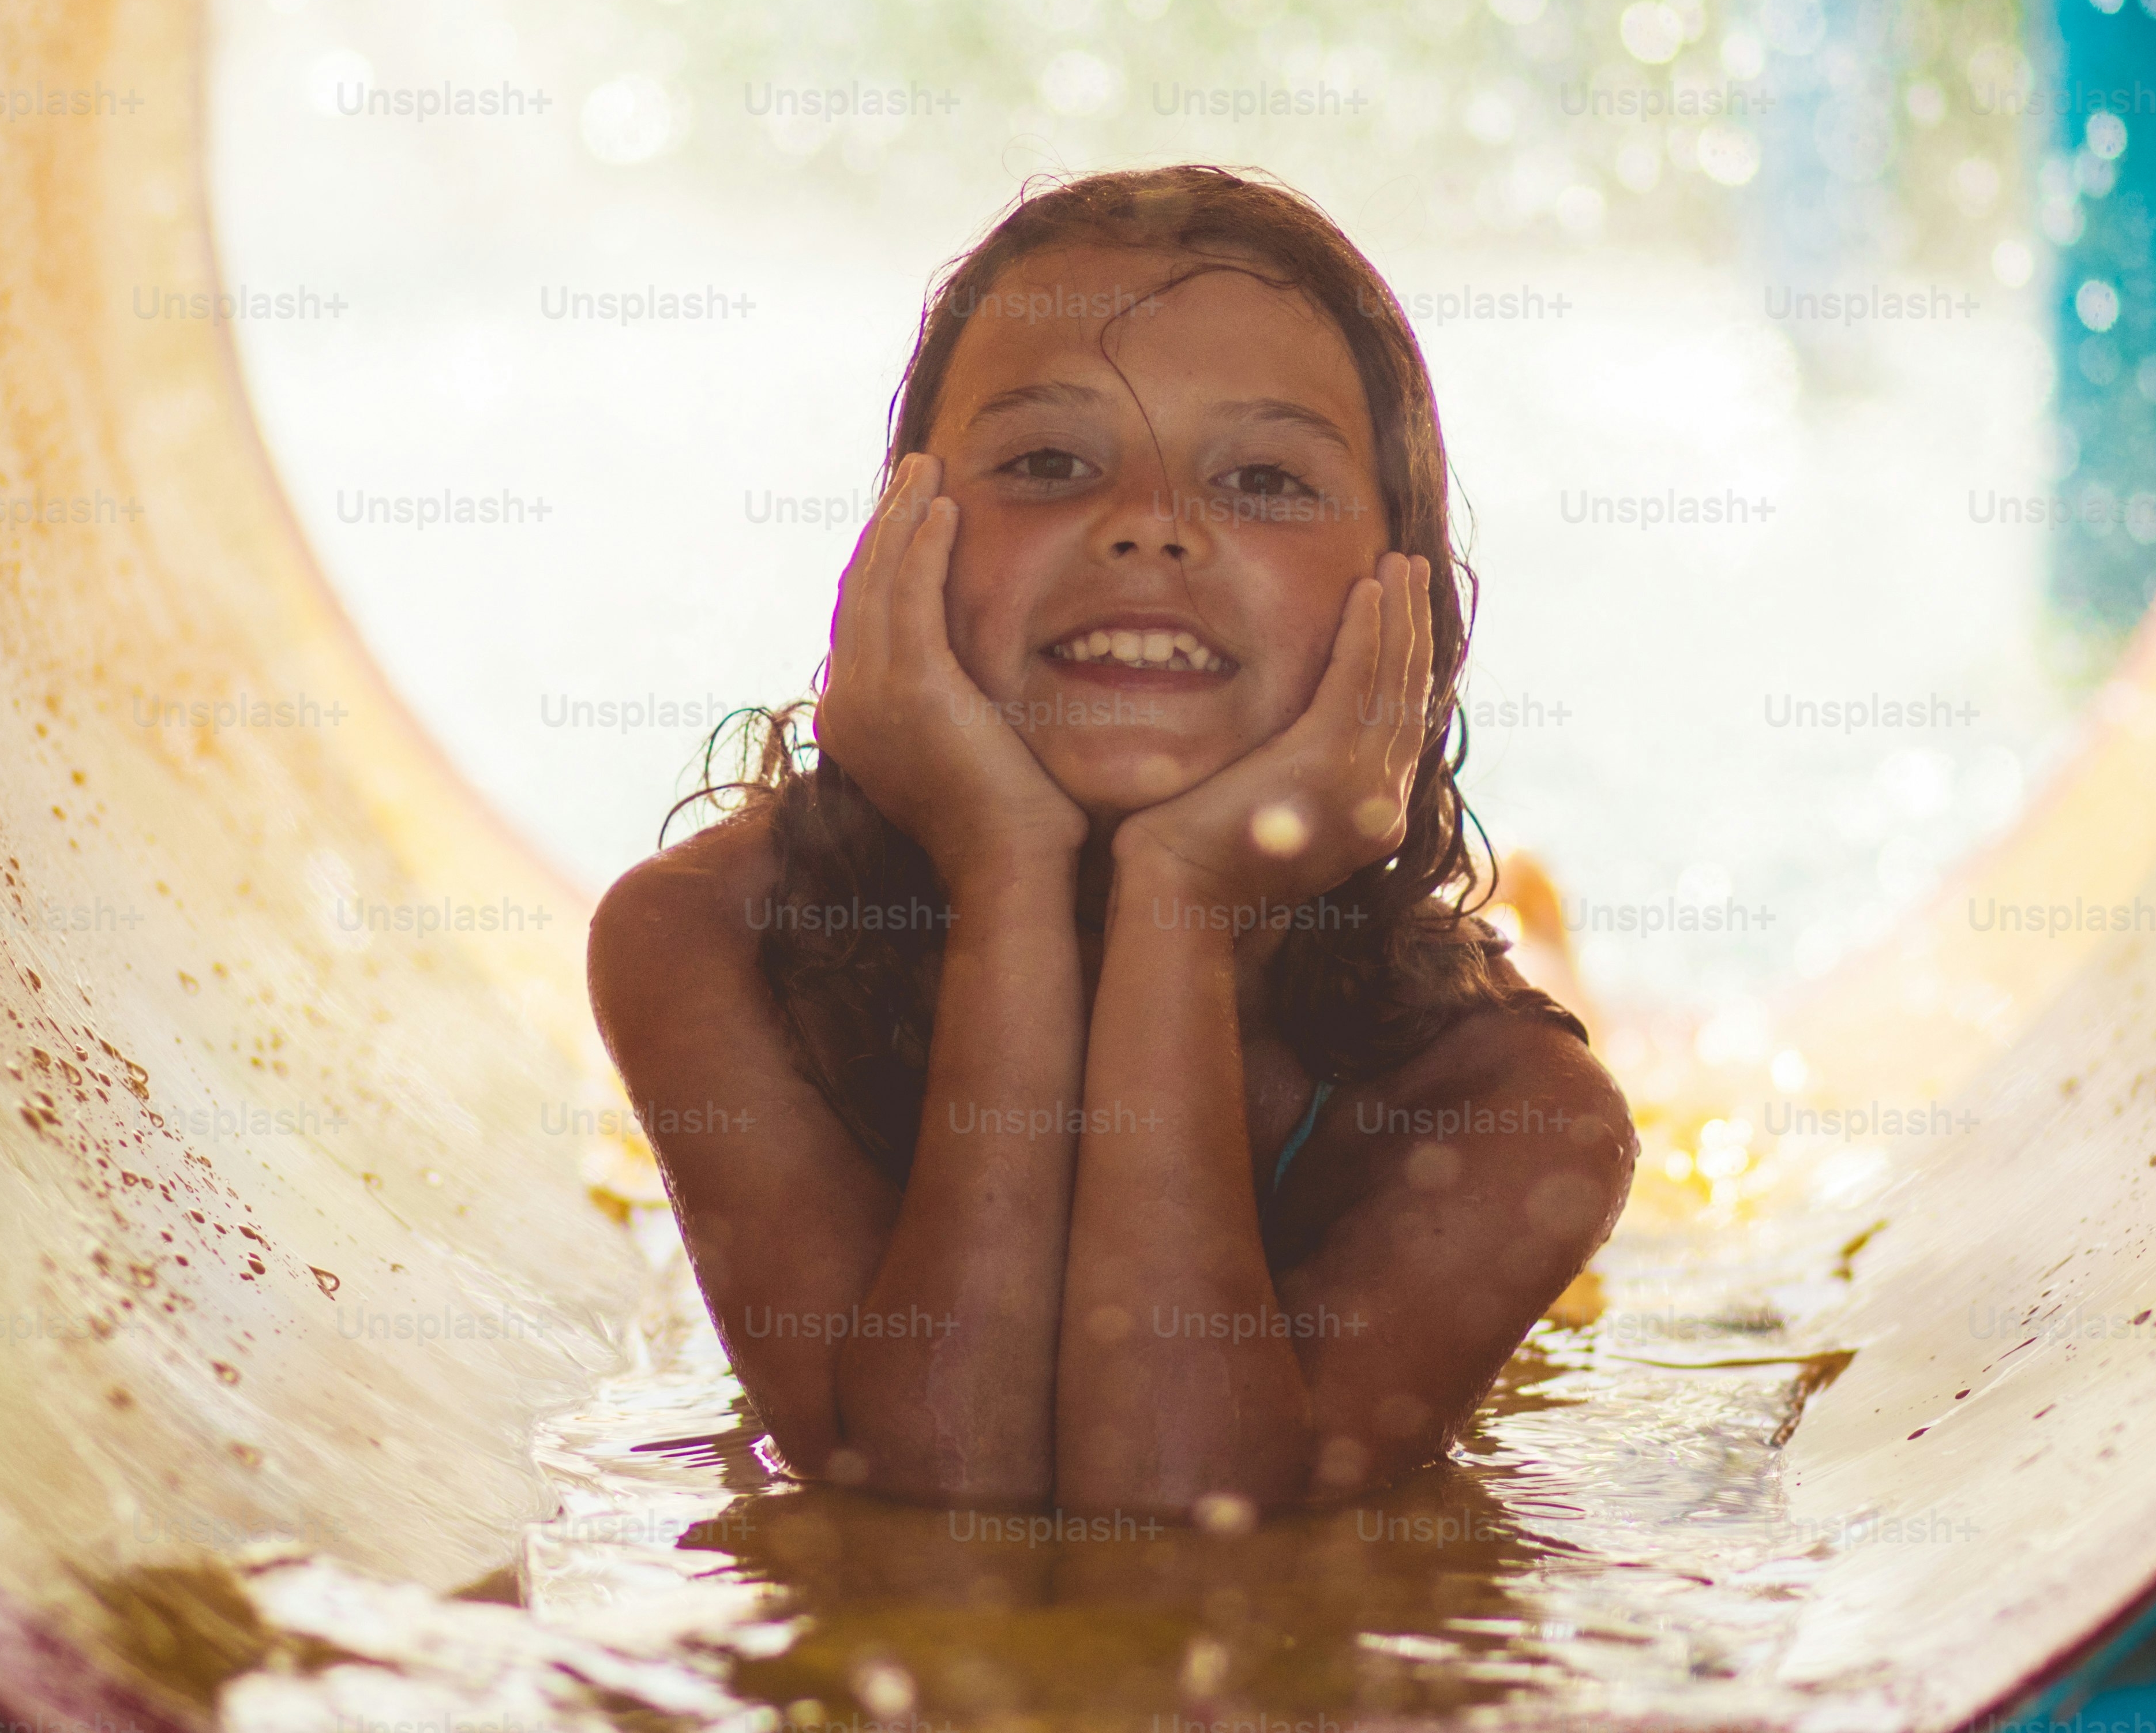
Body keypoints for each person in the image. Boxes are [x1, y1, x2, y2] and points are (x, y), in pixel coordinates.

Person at [589, 165, 1637, 1519]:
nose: (1151, 524)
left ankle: (1534, 903)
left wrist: (1185, 899)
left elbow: (1183, 1513)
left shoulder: (1512, 1110)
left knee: (1532, 956)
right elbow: (938, 1482)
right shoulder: (709, 940)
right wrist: (1004, 858)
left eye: (1264, 477)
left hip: (1407, 967)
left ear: (1412, 604)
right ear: (902, 541)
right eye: (1047, 463)